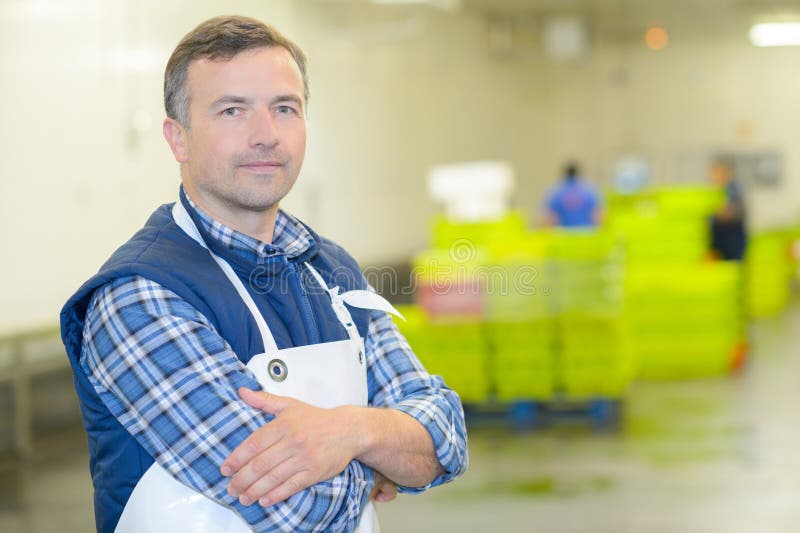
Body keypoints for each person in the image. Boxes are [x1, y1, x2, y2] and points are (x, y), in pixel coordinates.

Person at [60, 15, 467, 533]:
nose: (265, 135)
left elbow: (447, 437)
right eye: (232, 110)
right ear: (178, 139)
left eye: (284, 108)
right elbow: (291, 509)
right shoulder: (140, 295)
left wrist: (349, 432)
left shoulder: (333, 271)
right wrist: (385, 454)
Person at [709, 159, 747, 260]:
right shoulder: (712, 191)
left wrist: (722, 212)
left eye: (720, 173)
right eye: (715, 174)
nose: (717, 177)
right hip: (717, 237)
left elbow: (736, 212)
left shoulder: (734, 190)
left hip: (732, 238)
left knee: (733, 266)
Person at [544, 162, 603, 227]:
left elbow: (550, 219)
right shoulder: (590, 191)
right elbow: (597, 216)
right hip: (587, 234)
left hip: (563, 235)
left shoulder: (556, 192)